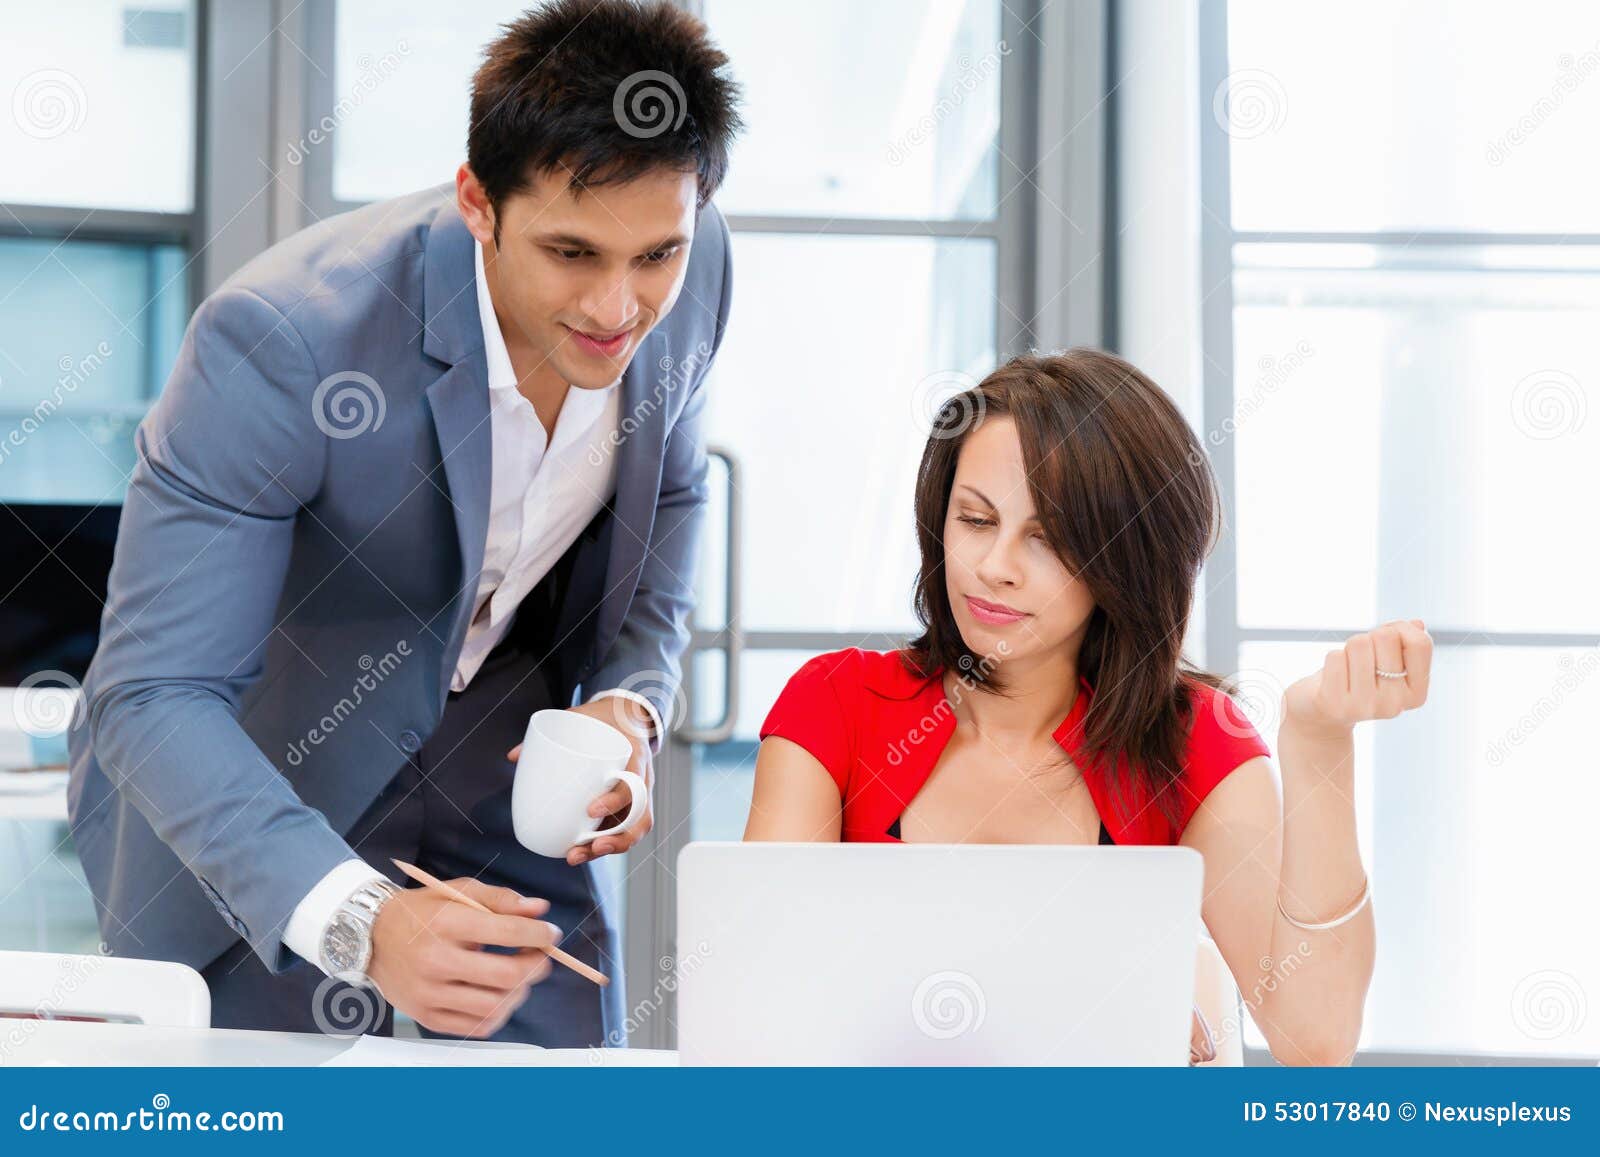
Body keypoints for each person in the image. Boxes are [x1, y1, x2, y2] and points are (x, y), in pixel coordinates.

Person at [67, 0, 741, 1047]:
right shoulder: (282, 340)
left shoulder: (693, 273)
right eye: (570, 252)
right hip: (272, 775)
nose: (618, 307)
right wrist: (358, 921)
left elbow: (679, 491)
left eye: (654, 254)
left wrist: (629, 702)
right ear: (478, 200)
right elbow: (151, 693)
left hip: (509, 762)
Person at [746, 349, 1432, 1066]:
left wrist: (1319, 743)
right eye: (976, 520)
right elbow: (765, 999)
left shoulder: (1197, 741)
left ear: (1127, 560)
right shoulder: (836, 703)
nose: (994, 566)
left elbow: (1314, 1038)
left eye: (1045, 538)